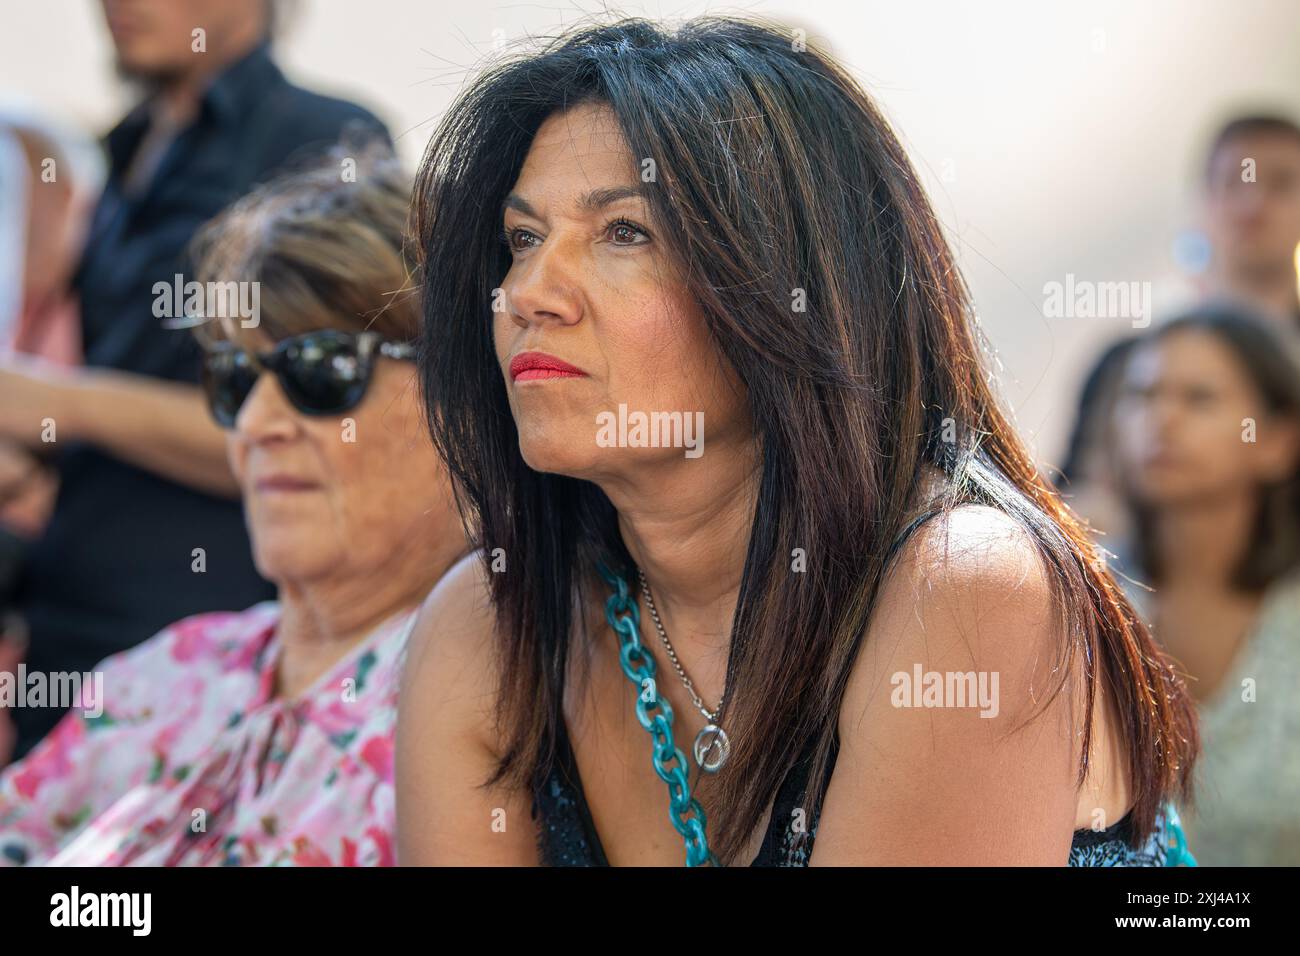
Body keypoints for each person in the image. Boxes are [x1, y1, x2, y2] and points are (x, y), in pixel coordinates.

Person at [395, 16, 1199, 867]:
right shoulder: (490, 621)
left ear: (798, 288)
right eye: (523, 239)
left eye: (624, 232)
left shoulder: (962, 587)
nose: (527, 292)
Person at [0, 146, 465, 865]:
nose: (255, 423)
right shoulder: (175, 667)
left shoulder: (503, 708)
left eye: (320, 370)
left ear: (469, 402)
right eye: (236, 380)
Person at [0, 0, 390, 760]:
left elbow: (329, 425)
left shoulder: (317, 136)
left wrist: (59, 403)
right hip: (64, 635)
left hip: (198, 654)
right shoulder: (125, 151)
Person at [1110, 304, 1300, 866]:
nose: (1161, 420)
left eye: (1199, 399)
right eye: (1142, 395)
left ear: (1278, 441)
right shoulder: (1084, 602)